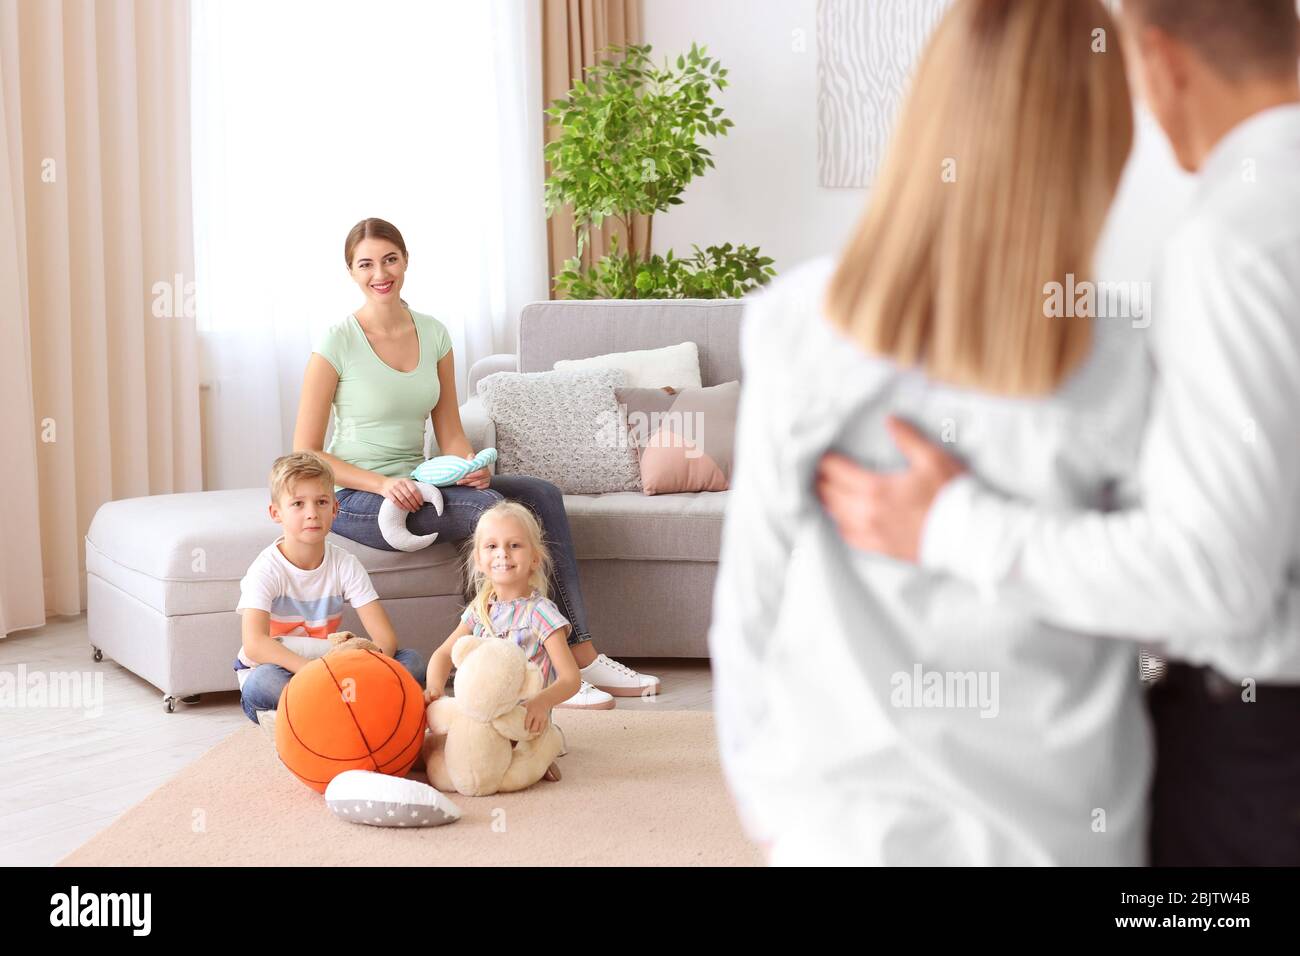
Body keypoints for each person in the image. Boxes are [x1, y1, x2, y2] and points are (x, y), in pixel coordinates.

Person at [815, 0, 1300, 866]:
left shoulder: (1231, 242)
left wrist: (949, 524)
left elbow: (1215, 577)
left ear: (1162, 63)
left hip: (1262, 754)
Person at [709, 0, 1143, 864]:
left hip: (845, 829)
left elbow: (750, 599)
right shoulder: (1121, 356)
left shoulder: (800, 324)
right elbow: (1163, 591)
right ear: (1097, 146)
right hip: (1061, 827)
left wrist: (775, 809)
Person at [293, 217, 660, 710]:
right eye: (366, 264)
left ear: (405, 261)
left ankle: (580, 654)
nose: (380, 273)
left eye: (390, 260)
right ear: (351, 272)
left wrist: (467, 464)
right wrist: (381, 484)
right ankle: (526, 665)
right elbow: (307, 453)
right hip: (358, 497)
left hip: (420, 483)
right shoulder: (337, 341)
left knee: (540, 495)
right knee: (490, 511)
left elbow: (448, 430)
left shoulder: (433, 334)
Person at [235, 452, 425, 724]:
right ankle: (352, 707)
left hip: (332, 666)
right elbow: (255, 645)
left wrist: (354, 665)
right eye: (298, 504)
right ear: (276, 513)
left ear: (335, 509)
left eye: (321, 502)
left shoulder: (345, 564)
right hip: (283, 669)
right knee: (263, 682)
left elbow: (385, 639)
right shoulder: (266, 569)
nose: (312, 513)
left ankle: (329, 709)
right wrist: (317, 673)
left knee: (412, 662)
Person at [425, 500, 580, 779]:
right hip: (481, 714)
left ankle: (537, 753)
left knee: (494, 753)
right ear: (479, 560)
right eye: (492, 546)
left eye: (514, 545)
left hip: (523, 718)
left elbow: (570, 678)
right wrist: (435, 689)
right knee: (439, 739)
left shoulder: (541, 613)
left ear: (535, 558)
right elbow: (443, 654)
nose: (502, 554)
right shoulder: (480, 610)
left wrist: (542, 702)